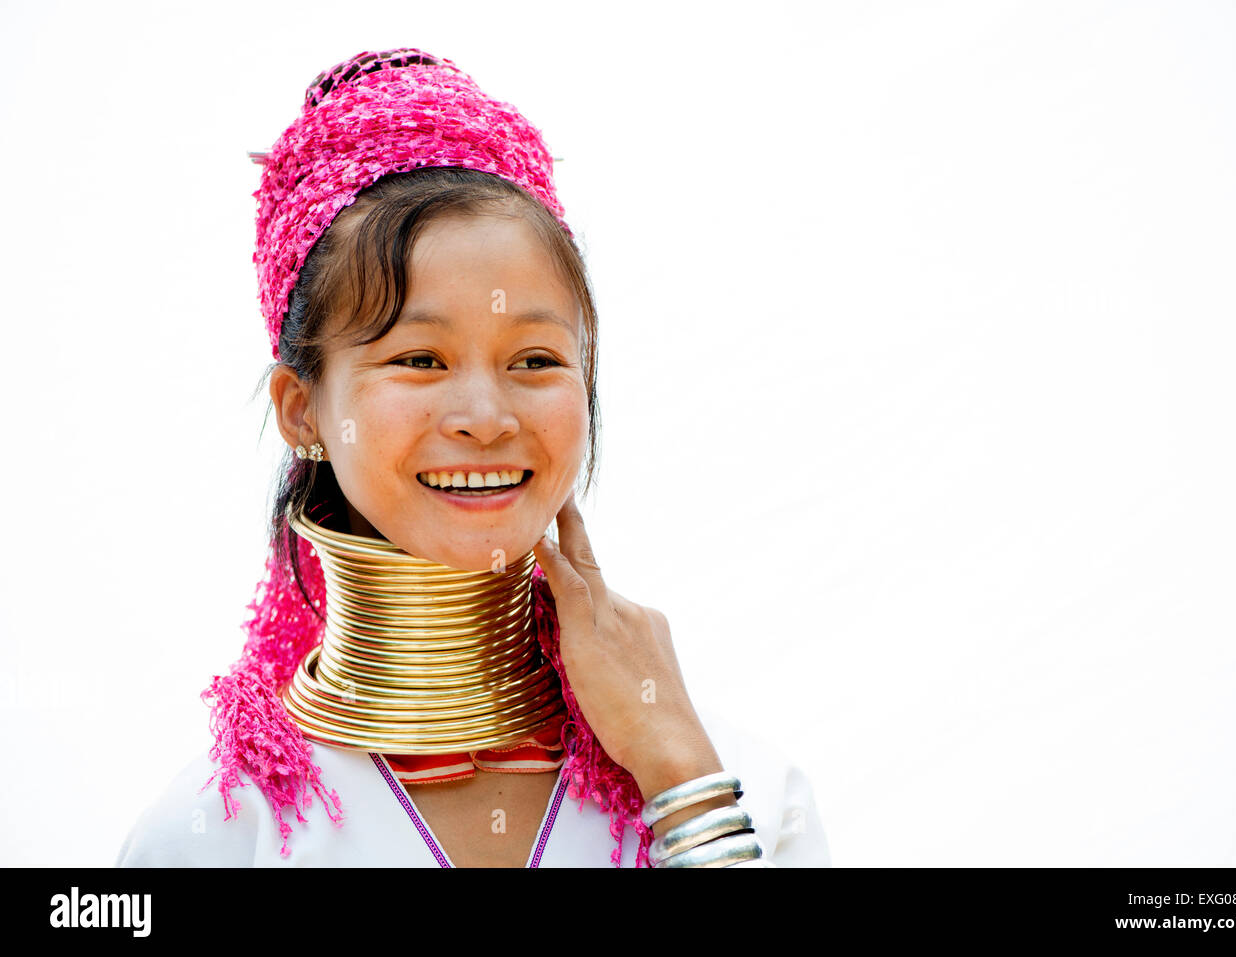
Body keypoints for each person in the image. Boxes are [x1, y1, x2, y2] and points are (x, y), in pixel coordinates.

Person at [114, 48, 831, 868]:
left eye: (534, 360)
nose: (486, 419)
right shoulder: (216, 834)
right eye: (420, 360)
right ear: (302, 409)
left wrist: (680, 776)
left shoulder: (749, 794)